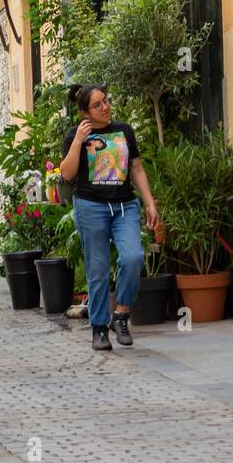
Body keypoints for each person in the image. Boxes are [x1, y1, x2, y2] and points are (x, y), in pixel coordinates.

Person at [60, 86, 160, 351]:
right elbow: (67, 175)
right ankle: (100, 329)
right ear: (84, 112)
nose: (105, 107)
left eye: (105, 101)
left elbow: (136, 167)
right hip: (91, 207)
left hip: (125, 205)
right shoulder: (74, 135)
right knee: (98, 269)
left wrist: (149, 202)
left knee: (133, 257)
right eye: (97, 105)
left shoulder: (124, 131)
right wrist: (79, 141)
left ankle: (122, 315)